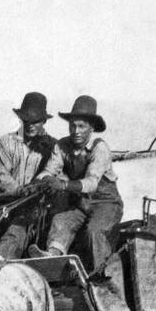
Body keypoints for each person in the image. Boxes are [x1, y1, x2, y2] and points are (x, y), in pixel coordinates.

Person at [36, 95, 124, 281]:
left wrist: (63, 184)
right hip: (82, 205)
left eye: (82, 126)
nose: (76, 131)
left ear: (91, 128)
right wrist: (39, 182)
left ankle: (102, 276)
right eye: (72, 125)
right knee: (60, 220)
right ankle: (52, 257)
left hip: (107, 204)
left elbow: (91, 183)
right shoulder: (62, 146)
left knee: (94, 231)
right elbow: (48, 170)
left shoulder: (99, 148)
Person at [0, 91, 63, 259]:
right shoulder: (6, 142)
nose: (30, 125)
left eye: (36, 121)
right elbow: (0, 176)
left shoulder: (55, 147)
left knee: (16, 233)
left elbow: (56, 174)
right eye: (26, 120)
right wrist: (20, 191)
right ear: (21, 119)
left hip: (35, 210)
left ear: (44, 121)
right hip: (5, 207)